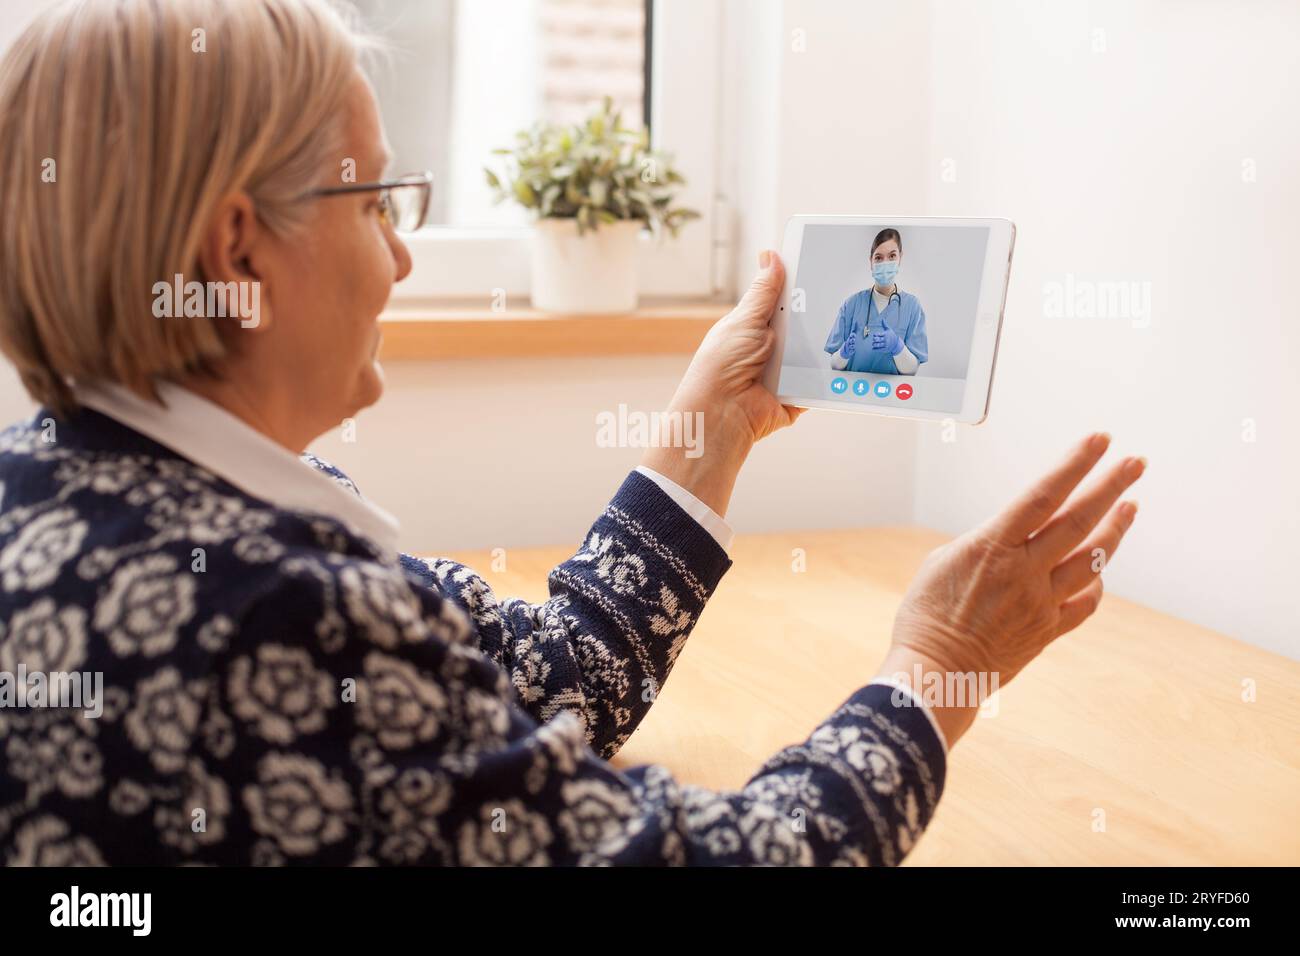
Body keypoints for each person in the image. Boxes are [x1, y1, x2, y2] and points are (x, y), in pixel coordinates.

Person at [0, 0, 1144, 866]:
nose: (401, 256)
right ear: (238, 250)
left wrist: (710, 429)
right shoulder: (278, 618)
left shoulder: (83, 494)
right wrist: (937, 666)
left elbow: (550, 684)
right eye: (378, 204)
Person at [825, 228, 929, 375]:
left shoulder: (912, 306)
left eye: (892, 256)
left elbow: (912, 369)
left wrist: (898, 347)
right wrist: (843, 353)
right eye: (879, 258)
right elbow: (834, 365)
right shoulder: (851, 305)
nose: (884, 263)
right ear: (871, 262)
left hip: (892, 394)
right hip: (852, 392)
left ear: (900, 257)